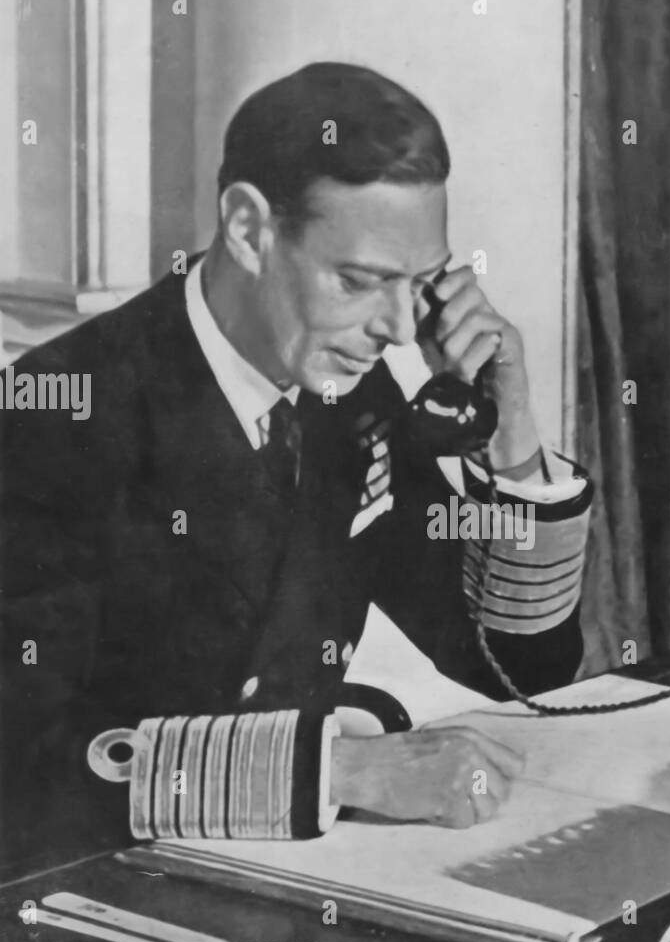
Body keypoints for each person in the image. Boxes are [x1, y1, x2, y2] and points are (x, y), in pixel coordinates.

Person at [0, 62, 592, 871]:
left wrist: (510, 432)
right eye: (360, 281)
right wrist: (340, 768)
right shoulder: (56, 413)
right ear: (248, 230)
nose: (394, 327)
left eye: (420, 286)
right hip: (95, 886)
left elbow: (515, 666)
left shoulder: (348, 391)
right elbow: (22, 760)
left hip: (286, 868)